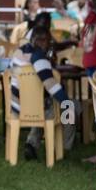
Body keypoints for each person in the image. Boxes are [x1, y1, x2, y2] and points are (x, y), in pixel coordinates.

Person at [10, 24, 76, 161]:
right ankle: (64, 148)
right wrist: (67, 101)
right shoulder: (39, 57)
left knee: (43, 103)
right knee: (70, 107)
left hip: (16, 106)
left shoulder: (18, 53)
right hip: (36, 108)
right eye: (49, 41)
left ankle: (31, 144)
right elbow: (51, 86)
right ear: (41, 41)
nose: (50, 44)